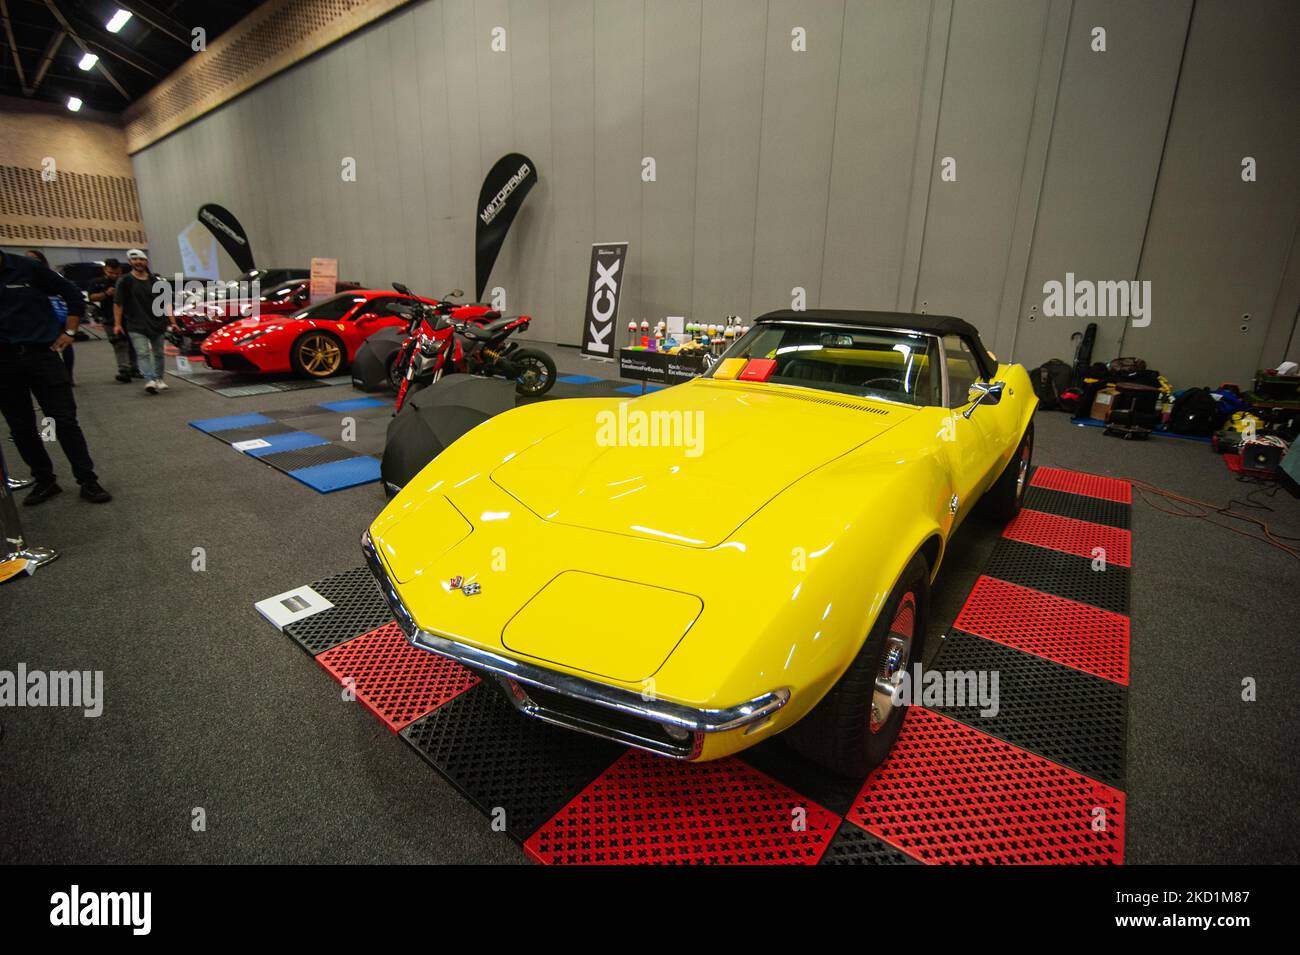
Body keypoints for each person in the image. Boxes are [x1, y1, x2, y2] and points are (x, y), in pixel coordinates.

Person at [0, 250, 111, 504]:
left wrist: (70, 331)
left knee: (64, 421)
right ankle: (44, 481)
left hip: (41, 354)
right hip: (3, 363)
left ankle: (88, 480)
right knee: (20, 427)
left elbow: (72, 295)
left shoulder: (27, 268)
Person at [113, 249, 177, 394]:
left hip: (157, 323)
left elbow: (166, 303)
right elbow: (118, 303)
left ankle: (159, 378)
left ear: (146, 262)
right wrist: (117, 324)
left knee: (159, 353)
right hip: (135, 323)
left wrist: (172, 322)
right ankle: (150, 379)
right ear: (130, 262)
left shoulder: (156, 280)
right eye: (135, 260)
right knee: (142, 353)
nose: (138, 262)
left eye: (141, 259)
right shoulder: (125, 281)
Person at [24, 251, 75, 383]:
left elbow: (71, 294)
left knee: (64, 345)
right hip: (38, 318)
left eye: (34, 258)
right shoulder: (23, 276)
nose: (30, 261)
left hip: (57, 314)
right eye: (27, 258)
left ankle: (68, 375)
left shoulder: (51, 275)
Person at [89, 257, 138, 382]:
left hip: (129, 317)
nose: (114, 275)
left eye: (117, 273)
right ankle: (124, 370)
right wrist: (106, 294)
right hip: (109, 318)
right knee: (119, 344)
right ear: (105, 270)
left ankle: (135, 368)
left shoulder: (126, 281)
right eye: (111, 272)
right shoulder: (97, 282)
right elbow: (92, 298)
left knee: (133, 343)